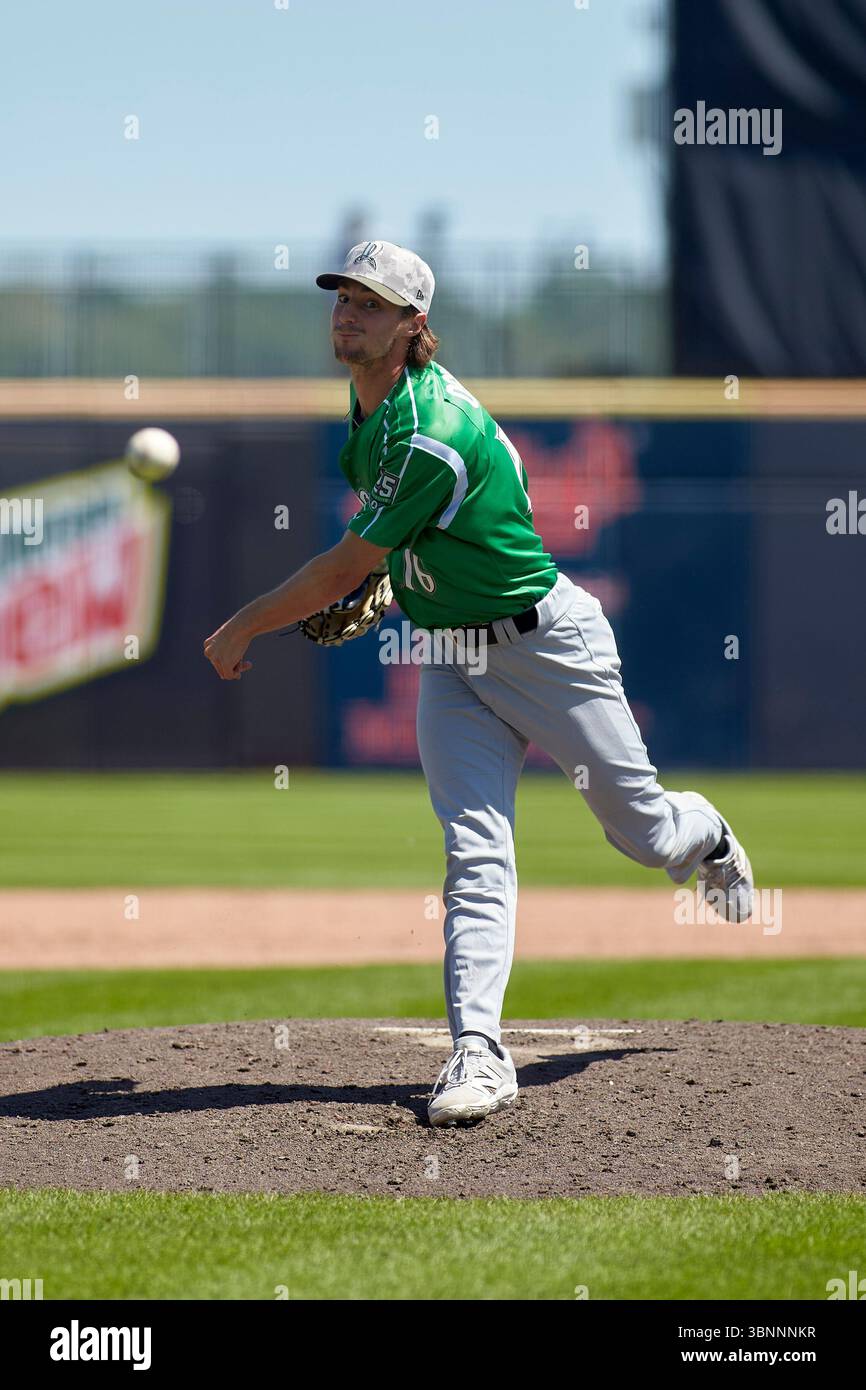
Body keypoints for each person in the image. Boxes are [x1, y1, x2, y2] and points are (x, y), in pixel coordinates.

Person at [204, 239, 754, 1129]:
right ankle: (479, 1053)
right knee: (473, 853)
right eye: (343, 295)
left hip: (547, 650)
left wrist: (242, 625)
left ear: (413, 325)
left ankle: (708, 834)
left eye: (372, 304)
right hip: (454, 659)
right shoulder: (368, 399)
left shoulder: (432, 425)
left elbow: (347, 560)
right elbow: (417, 534)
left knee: (644, 835)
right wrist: (410, 572)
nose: (349, 312)